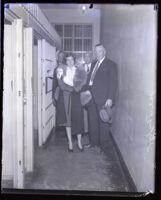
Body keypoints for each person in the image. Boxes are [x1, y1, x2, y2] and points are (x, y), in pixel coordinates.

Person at [82, 44, 118, 150]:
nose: (97, 54)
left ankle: (103, 146)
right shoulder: (93, 64)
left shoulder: (111, 64)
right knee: (92, 121)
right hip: (90, 98)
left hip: (103, 98)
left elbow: (113, 82)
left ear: (104, 52)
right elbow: (89, 80)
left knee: (103, 123)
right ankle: (93, 143)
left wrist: (110, 98)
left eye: (99, 51)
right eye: (95, 51)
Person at [53, 52, 85, 152]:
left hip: (77, 97)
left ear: (74, 60)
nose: (70, 62)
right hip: (66, 97)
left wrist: (75, 87)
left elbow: (81, 84)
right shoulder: (60, 70)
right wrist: (73, 87)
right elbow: (61, 85)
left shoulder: (79, 70)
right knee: (68, 120)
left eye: (71, 59)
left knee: (78, 118)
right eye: (68, 60)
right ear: (65, 61)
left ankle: (79, 142)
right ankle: (70, 143)